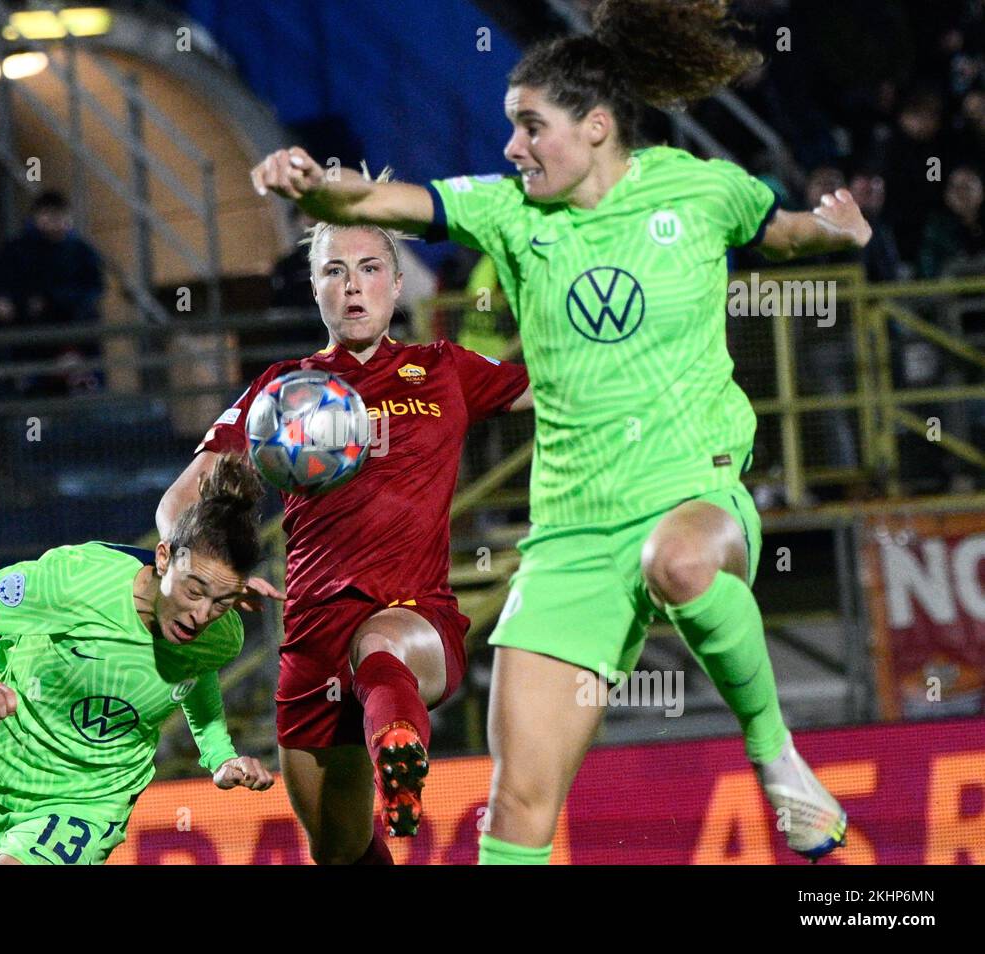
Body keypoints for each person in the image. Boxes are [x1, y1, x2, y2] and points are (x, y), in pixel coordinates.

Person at [250, 0, 872, 865]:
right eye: (512, 128)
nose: (512, 148)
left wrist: (835, 229)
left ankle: (779, 761)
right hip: (571, 537)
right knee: (515, 809)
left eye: (530, 128)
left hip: (696, 491)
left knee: (680, 562)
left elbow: (784, 232)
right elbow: (374, 196)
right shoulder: (508, 213)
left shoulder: (700, 189)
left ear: (597, 127)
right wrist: (308, 183)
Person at [157, 196, 531, 863]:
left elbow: (562, 387)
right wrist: (206, 571)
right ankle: (387, 764)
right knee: (339, 852)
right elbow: (181, 499)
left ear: (394, 282)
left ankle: (400, 755)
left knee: (379, 643)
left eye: (368, 268)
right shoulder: (282, 389)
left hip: (411, 618)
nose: (353, 284)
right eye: (335, 271)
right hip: (310, 642)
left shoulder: (443, 369)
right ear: (315, 288)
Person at [0, 453, 274, 865]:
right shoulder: (75, 582)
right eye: (194, 591)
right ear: (162, 558)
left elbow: (193, 677)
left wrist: (220, 755)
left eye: (221, 602)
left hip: (89, 799)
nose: (202, 615)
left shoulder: (222, 636)